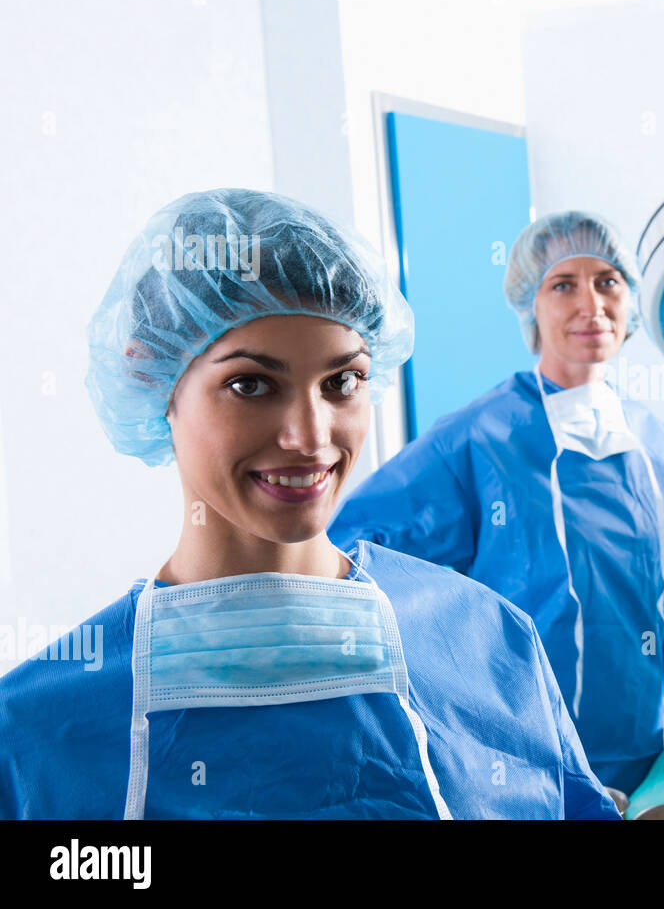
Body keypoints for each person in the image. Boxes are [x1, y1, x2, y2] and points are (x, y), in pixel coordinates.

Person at [0, 189, 619, 819]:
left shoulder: (490, 640)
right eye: (251, 384)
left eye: (342, 381)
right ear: (152, 380)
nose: (311, 437)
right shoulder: (36, 732)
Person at [329, 211, 664, 794]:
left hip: (639, 752)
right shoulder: (480, 436)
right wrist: (452, 699)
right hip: (516, 759)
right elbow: (353, 556)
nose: (591, 304)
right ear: (531, 305)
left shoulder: (648, 437)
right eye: (563, 285)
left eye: (608, 281)